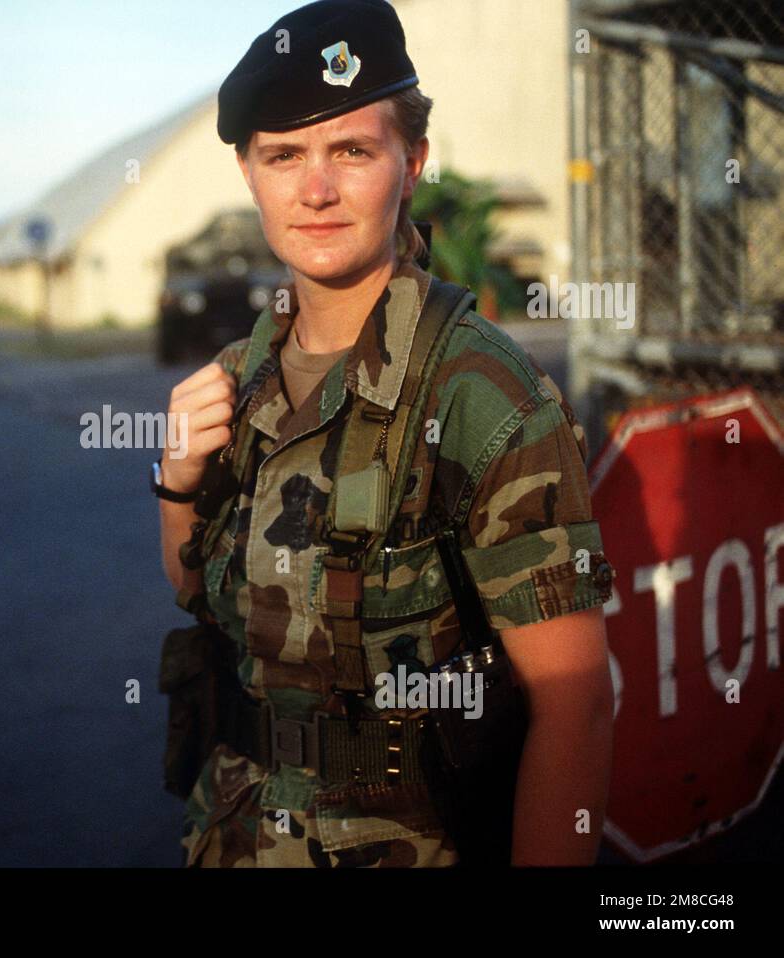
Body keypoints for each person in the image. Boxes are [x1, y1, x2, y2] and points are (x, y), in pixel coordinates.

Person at [152, 0, 616, 867]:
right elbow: (195, 594)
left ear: (411, 165)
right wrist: (179, 479)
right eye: (283, 156)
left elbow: (576, 702)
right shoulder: (235, 376)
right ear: (250, 174)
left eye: (352, 151)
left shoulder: (482, 392)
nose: (315, 189)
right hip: (236, 835)